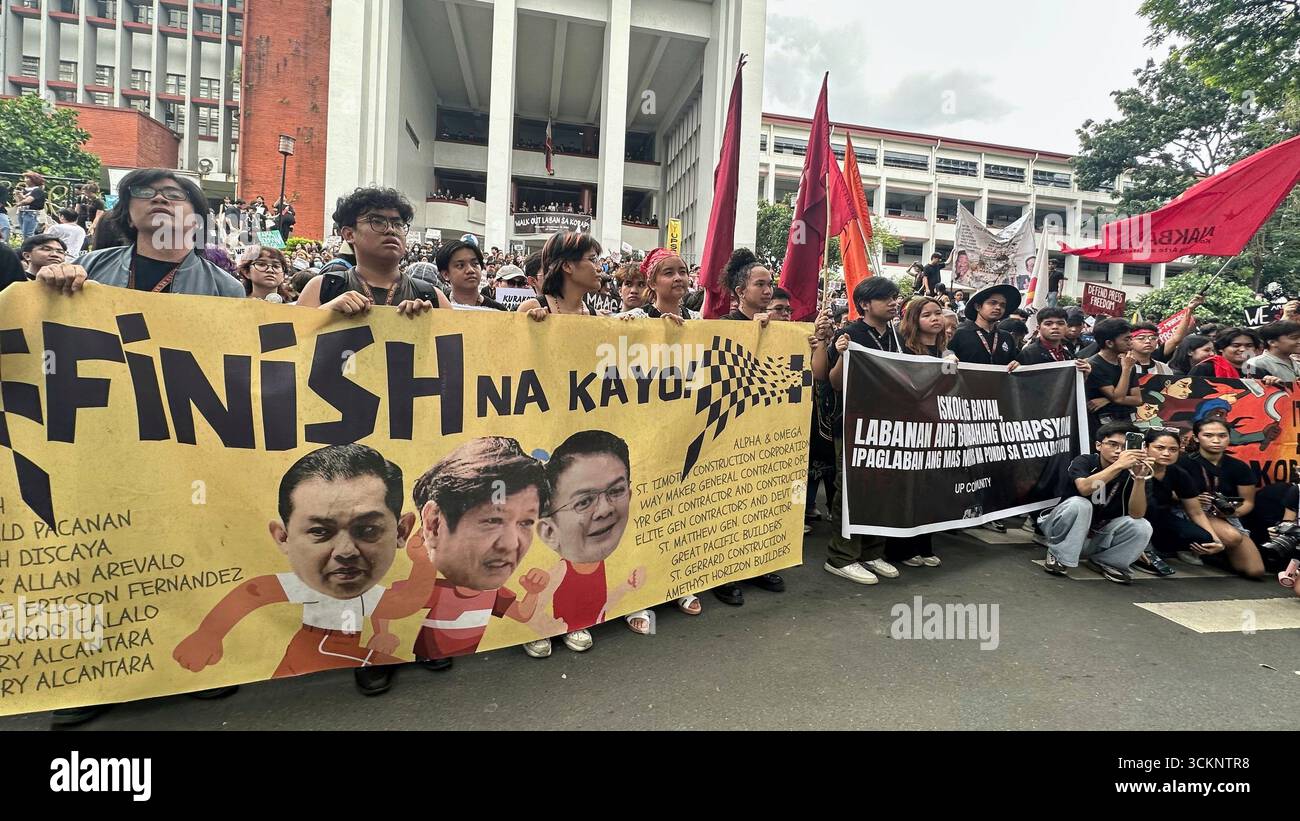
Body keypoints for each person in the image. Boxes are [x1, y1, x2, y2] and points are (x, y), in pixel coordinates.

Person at [173, 444, 415, 689]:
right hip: (311, 649)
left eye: (368, 530)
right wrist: (208, 635)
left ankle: (379, 665)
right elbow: (252, 592)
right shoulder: (303, 586)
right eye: (320, 531)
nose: (346, 551)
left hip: (355, 649)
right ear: (283, 538)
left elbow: (388, 608)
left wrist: (384, 633)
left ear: (402, 531)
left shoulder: (372, 589)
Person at [372, 437, 552, 676]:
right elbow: (386, 608)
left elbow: (520, 613)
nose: (511, 544)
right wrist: (382, 638)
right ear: (434, 523)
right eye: (492, 520)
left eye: (526, 522)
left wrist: (532, 592)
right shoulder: (431, 587)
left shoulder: (493, 592)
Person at [523, 431, 646, 657]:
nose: (605, 509)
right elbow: (534, 611)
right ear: (549, 530)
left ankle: (577, 624)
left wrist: (627, 588)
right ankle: (538, 637)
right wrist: (543, 627)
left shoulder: (606, 564)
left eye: (616, 491)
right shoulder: (561, 569)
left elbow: (603, 604)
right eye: (584, 501)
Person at [29, 168, 244, 298]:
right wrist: (47, 287)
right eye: (144, 193)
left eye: (174, 194)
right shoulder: (87, 268)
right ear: (129, 217)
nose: (159, 198)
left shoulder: (225, 288)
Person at [821, 277, 905, 584]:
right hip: (856, 423)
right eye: (885, 298)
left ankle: (872, 552)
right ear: (865, 304)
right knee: (852, 491)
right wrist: (842, 354)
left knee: (881, 491)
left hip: (889, 424)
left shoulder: (896, 336)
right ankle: (842, 556)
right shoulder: (850, 333)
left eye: (895, 297)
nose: (893, 303)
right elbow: (833, 382)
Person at [885, 296, 957, 568]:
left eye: (938, 313)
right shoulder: (903, 349)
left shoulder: (947, 352)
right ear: (914, 320)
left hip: (936, 430)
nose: (935, 319)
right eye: (927, 315)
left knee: (929, 489)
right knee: (907, 489)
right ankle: (899, 548)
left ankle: (924, 544)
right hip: (909, 427)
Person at [296, 187, 449, 315]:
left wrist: (430, 324)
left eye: (398, 224)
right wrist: (325, 312)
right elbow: (291, 345)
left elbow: (462, 347)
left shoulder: (432, 296)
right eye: (377, 221)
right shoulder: (322, 288)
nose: (390, 230)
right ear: (349, 234)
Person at [1039, 421, 1153, 584]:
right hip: (1061, 531)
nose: (1119, 451)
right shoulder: (1085, 461)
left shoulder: (1136, 471)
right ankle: (1059, 555)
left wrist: (1139, 479)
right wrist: (1119, 466)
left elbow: (1137, 514)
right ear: (1098, 445)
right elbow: (1085, 488)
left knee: (1141, 525)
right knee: (1080, 504)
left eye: (1124, 446)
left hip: (1098, 536)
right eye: (1113, 444)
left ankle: (1107, 562)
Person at [1177, 418, 1266, 578]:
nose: (1216, 440)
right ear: (1197, 437)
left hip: (1225, 516)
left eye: (1222, 436)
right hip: (1191, 512)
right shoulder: (1183, 463)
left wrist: (1232, 512)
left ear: (1229, 437)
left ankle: (1214, 557)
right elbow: (1167, 492)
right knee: (1232, 537)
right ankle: (1189, 547)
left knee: (1255, 571)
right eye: (1209, 435)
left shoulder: (1238, 467)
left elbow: (1248, 502)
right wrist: (1192, 499)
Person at [1138, 428, 1219, 577]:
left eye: (1173, 449)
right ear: (1145, 447)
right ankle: (1140, 550)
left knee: (1204, 539)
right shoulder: (1134, 468)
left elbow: (1195, 511)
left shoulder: (1178, 473)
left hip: (1161, 518)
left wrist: (1216, 540)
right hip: (1134, 519)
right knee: (1151, 507)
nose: (1167, 453)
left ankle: (1161, 548)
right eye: (1160, 448)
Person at [517, 231, 603, 318]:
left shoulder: (597, 317)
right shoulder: (530, 308)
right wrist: (533, 327)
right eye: (593, 260)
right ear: (567, 266)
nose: (600, 268)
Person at [1084, 318, 1141, 435]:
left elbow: (1137, 399)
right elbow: (1119, 398)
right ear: (1109, 343)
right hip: (1102, 425)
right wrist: (1126, 370)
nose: (1131, 342)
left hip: (1126, 421)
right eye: (1126, 339)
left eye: (1131, 338)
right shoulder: (1094, 365)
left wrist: (1107, 399)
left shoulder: (1128, 362)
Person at [948, 283, 1020, 366]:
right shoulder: (959, 334)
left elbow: (1014, 364)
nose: (998, 307)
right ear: (978, 307)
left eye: (1002, 305)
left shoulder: (1007, 337)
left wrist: (1016, 365)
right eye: (993, 303)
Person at [437, 238, 506, 310]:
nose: (470, 270)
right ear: (445, 274)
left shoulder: (498, 310)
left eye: (475, 264)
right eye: (460, 265)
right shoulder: (436, 307)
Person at [718, 248, 775, 323]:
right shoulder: (726, 324)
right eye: (760, 284)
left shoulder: (775, 322)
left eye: (770, 284)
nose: (768, 291)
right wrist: (752, 328)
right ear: (740, 292)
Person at [1189, 327, 1264, 379]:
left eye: (1249, 345)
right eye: (1236, 345)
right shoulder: (1204, 369)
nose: (1243, 349)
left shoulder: (1260, 373)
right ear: (1221, 348)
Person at [15, 171, 47, 239]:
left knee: (28, 234)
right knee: (24, 233)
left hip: (31, 213)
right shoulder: (25, 190)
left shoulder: (37, 190)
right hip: (22, 211)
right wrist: (18, 195)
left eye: (27, 178)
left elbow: (28, 200)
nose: (25, 180)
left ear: (33, 180)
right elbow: (20, 201)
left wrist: (19, 203)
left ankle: (29, 248)